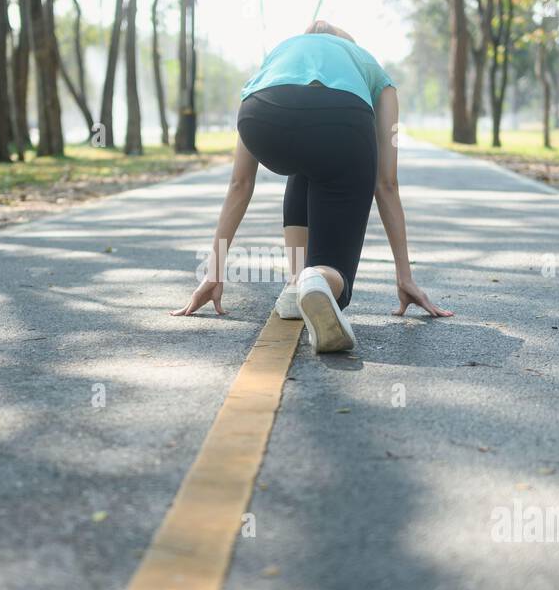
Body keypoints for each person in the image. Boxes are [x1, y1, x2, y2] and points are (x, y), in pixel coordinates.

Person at [171, 20, 452, 353]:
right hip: (341, 122)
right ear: (348, 43)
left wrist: (214, 271)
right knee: (335, 274)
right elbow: (386, 183)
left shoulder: (279, 56)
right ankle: (317, 278)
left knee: (306, 158)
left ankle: (296, 285)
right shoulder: (369, 67)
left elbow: (240, 182)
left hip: (261, 116)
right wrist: (405, 277)